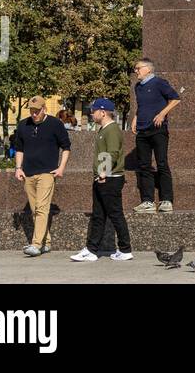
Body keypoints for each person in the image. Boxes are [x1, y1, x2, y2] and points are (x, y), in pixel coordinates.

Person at [71, 99, 132, 262]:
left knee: (115, 214)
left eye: (94, 110)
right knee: (99, 215)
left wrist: (104, 172)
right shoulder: (104, 129)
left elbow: (112, 152)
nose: (91, 113)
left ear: (103, 112)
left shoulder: (111, 130)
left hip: (109, 179)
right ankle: (92, 250)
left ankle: (125, 249)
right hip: (104, 177)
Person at [12, 96, 71, 257]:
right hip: (28, 173)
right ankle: (46, 242)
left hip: (47, 172)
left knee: (41, 207)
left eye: (37, 111)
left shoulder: (55, 124)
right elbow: (19, 149)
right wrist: (18, 168)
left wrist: (61, 168)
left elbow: (66, 147)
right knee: (35, 210)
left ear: (44, 109)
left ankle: (36, 244)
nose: (34, 114)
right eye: (31, 111)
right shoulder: (23, 125)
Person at [130, 58, 181, 213]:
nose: (135, 71)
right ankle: (148, 201)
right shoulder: (138, 87)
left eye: (138, 68)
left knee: (161, 163)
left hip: (158, 129)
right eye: (135, 68)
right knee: (144, 166)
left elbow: (175, 99)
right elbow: (141, 105)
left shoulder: (159, 83)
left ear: (148, 69)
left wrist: (162, 114)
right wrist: (135, 119)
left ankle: (166, 200)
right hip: (142, 130)